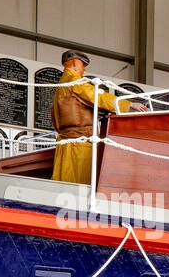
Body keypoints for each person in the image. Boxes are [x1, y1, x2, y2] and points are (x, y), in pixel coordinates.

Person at [50, 50, 142, 183]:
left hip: (65, 143)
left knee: (65, 182)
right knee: (82, 183)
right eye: (83, 67)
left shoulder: (61, 84)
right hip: (80, 144)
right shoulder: (75, 81)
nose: (84, 71)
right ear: (76, 64)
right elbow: (97, 96)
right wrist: (128, 105)